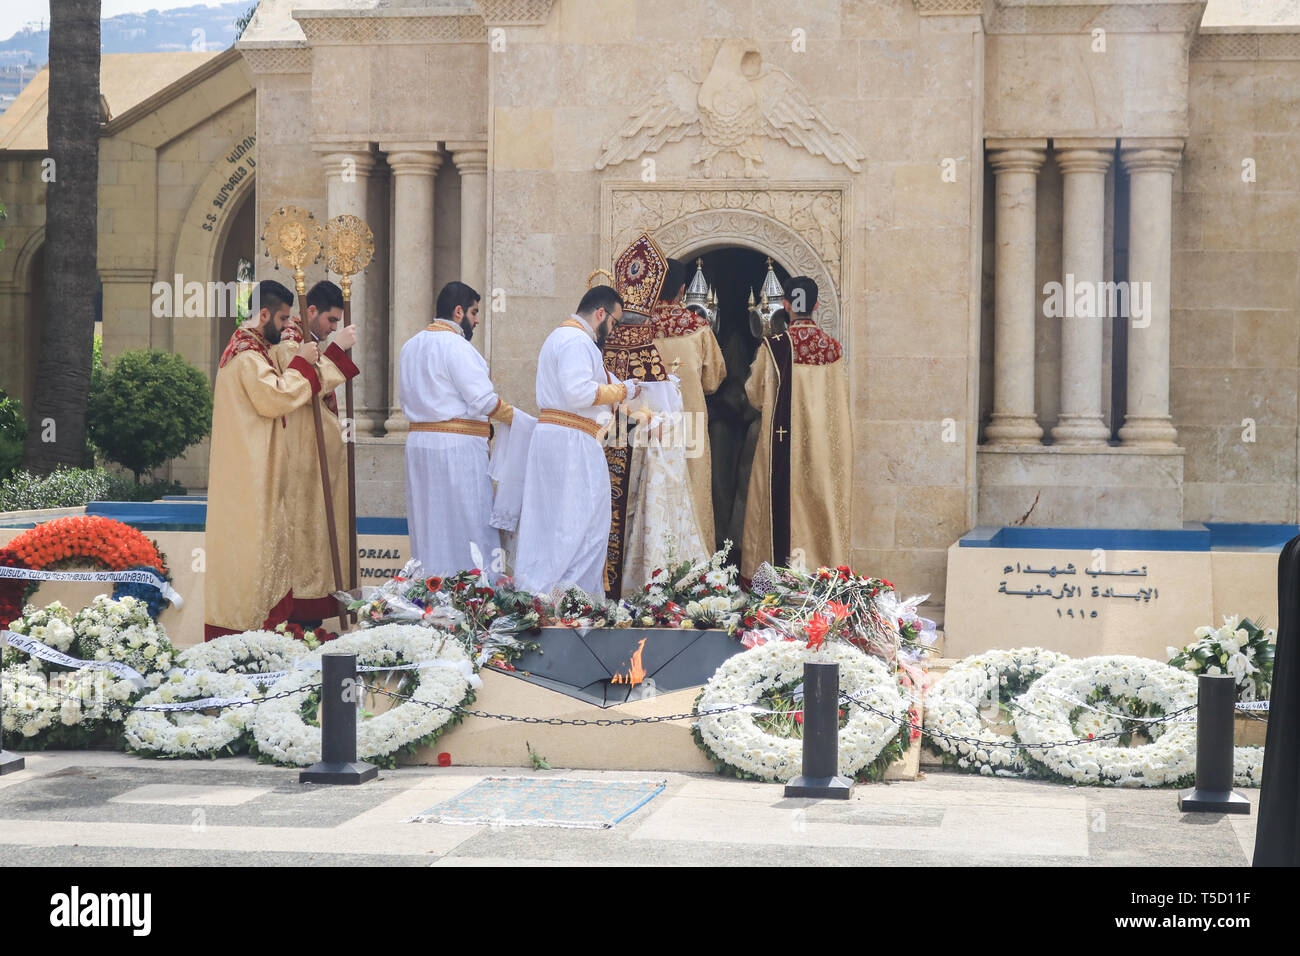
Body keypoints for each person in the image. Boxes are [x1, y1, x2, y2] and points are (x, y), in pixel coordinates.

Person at [203, 280, 357, 640]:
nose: (288, 326)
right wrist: (322, 357)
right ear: (265, 315)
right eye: (284, 318)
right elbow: (278, 397)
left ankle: (260, 634)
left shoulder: (250, 353)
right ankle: (251, 636)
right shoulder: (247, 358)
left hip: (253, 470)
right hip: (254, 475)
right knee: (260, 555)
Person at [515, 286, 638, 598]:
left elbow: (595, 385)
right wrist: (624, 393)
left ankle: (551, 598)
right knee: (581, 525)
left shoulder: (567, 338)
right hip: (570, 443)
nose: (614, 330)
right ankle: (566, 602)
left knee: (559, 522)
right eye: (615, 322)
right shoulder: (576, 340)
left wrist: (629, 390)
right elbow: (579, 392)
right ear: (601, 314)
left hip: (562, 439)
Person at [604, 233, 706, 595]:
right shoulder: (657, 354)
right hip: (638, 451)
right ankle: (646, 582)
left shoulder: (596, 348)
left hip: (605, 446)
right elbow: (668, 414)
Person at [399, 280, 516, 577]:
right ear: (458, 311)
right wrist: (521, 421)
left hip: (419, 445)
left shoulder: (410, 346)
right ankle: (476, 594)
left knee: (429, 523)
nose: (477, 320)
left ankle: (432, 588)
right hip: (456, 448)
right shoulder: (457, 346)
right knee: (471, 521)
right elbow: (484, 400)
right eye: (475, 312)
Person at [741, 275, 851, 582]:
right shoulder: (833, 350)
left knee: (782, 505)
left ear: (786, 305)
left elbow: (754, 394)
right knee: (822, 505)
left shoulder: (774, 347)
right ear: (816, 305)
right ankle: (825, 575)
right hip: (823, 448)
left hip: (781, 447)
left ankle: (776, 580)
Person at [270, 280, 359, 626]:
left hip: (318, 453)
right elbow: (304, 384)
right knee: (306, 530)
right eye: (331, 320)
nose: (334, 328)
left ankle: (324, 605)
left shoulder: (305, 340)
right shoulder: (291, 342)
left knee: (322, 529)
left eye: (337, 322)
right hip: (302, 453)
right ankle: (302, 615)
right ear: (311, 312)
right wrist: (336, 350)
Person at [651, 256, 726, 550]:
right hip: (689, 421)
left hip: (647, 425)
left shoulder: (637, 328)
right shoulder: (698, 327)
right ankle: (695, 568)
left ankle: (652, 565)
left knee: (652, 492)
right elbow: (713, 379)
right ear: (683, 289)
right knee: (692, 490)